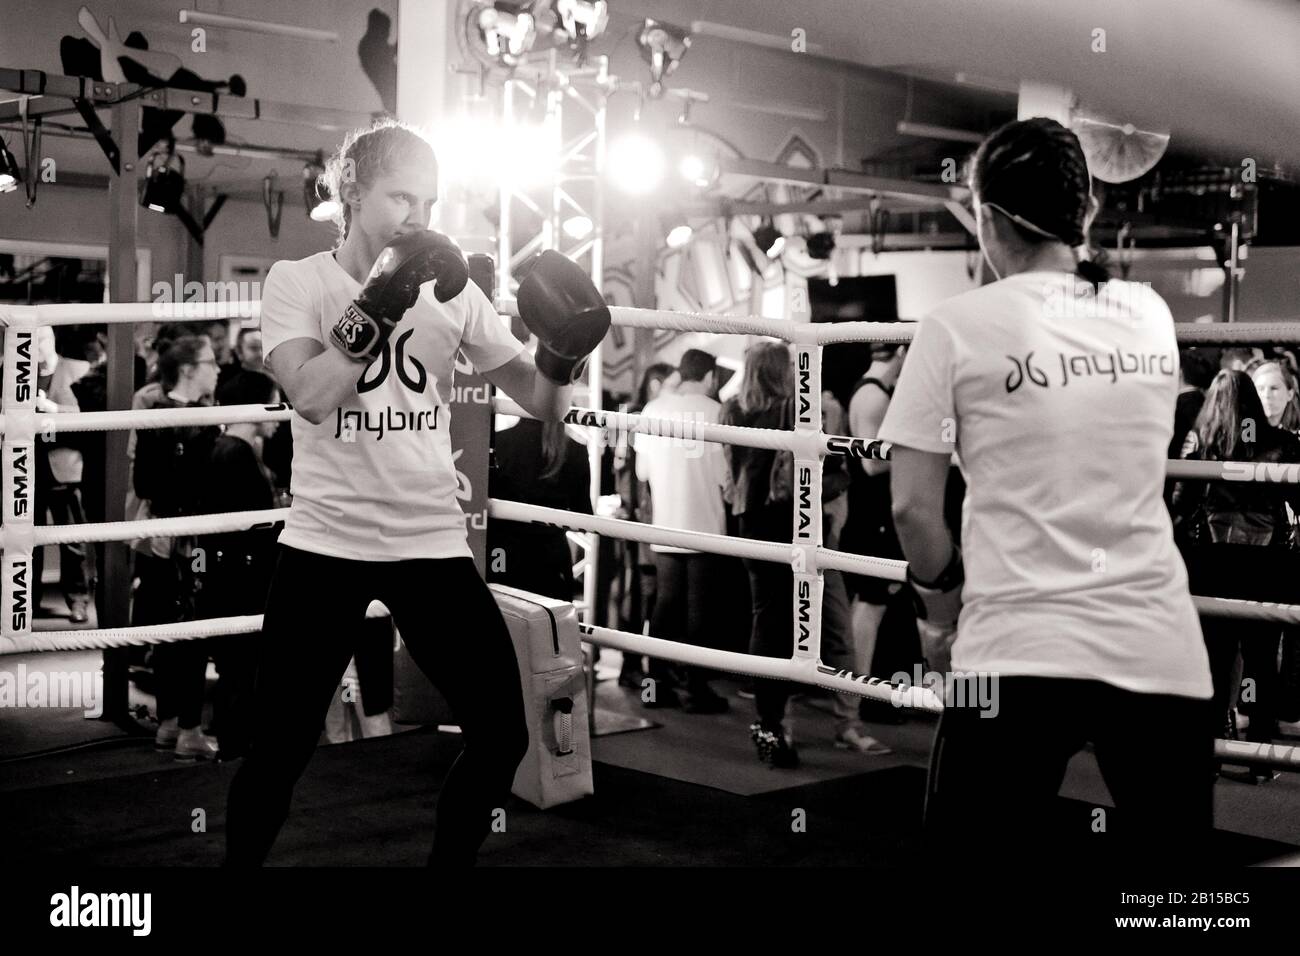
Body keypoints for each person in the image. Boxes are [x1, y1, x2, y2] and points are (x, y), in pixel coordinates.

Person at [224, 118, 608, 867]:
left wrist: (560, 356)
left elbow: (536, 401)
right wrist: (385, 296)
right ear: (352, 191)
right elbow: (311, 395)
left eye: (428, 202)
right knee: (279, 749)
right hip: (326, 543)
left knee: (502, 734)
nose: (418, 216)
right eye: (401, 197)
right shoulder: (296, 282)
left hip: (428, 541)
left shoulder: (452, 292)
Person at [880, 117, 1214, 863]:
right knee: (1185, 896)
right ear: (1085, 212)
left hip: (1011, 650)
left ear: (991, 219)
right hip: (1157, 643)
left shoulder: (956, 324)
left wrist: (939, 612)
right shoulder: (1150, 314)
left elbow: (910, 506)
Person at [1172, 371, 1300, 756]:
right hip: (1265, 565)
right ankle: (1260, 754)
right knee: (1261, 661)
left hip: (1213, 563)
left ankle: (1211, 752)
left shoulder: (1202, 446)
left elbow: (1180, 503)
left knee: (1215, 659)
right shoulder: (1281, 443)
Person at [132, 334, 223, 760]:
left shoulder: (157, 414)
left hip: (162, 538)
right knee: (191, 623)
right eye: (210, 361)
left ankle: (172, 722)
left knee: (171, 626)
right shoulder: (190, 419)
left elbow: (147, 483)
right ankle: (186, 726)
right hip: (189, 541)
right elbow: (151, 483)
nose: (218, 368)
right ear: (189, 369)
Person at [634, 349, 730, 713]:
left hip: (666, 520)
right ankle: (696, 689)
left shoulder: (654, 409)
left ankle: (655, 686)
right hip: (705, 522)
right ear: (710, 377)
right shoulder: (717, 412)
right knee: (700, 613)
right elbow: (726, 476)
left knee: (665, 604)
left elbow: (642, 473)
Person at [192, 369, 282, 760]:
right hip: (239, 581)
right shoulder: (235, 455)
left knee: (239, 668)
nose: (282, 413)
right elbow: (245, 528)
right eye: (276, 402)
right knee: (242, 668)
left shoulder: (231, 450)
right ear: (256, 406)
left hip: (228, 576)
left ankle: (236, 750)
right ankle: (237, 752)